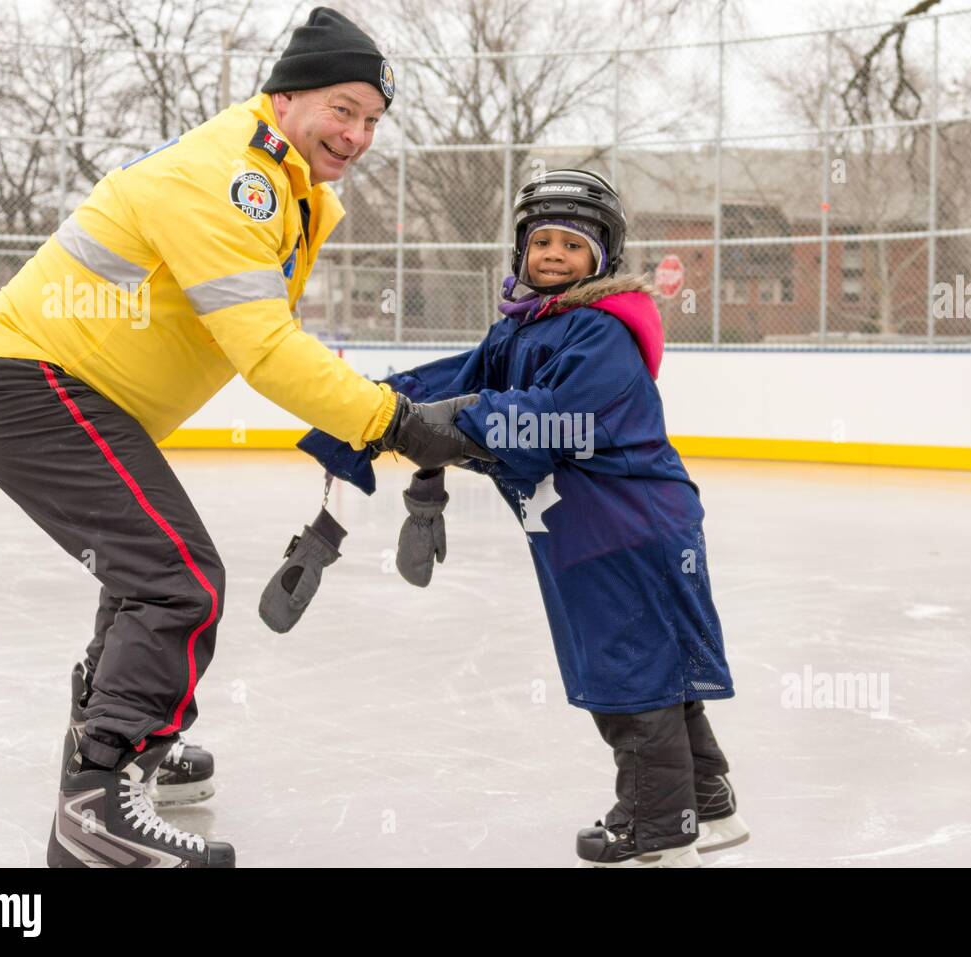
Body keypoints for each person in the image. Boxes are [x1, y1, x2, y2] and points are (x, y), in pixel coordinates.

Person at [0, 6, 485, 868]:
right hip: (34, 383)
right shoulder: (230, 176)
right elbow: (265, 347)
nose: (357, 135)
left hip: (64, 390)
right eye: (342, 109)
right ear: (289, 95)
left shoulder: (285, 183)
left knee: (143, 573)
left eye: (373, 121)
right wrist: (396, 424)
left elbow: (264, 338)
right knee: (178, 579)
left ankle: (124, 748)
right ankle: (98, 800)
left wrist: (375, 407)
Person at [285, 169, 748, 867]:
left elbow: (554, 420)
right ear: (520, 252)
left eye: (572, 244)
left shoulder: (600, 333)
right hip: (596, 532)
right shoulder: (523, 330)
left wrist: (457, 423)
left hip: (629, 530)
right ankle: (705, 800)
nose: (554, 255)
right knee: (657, 669)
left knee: (629, 678)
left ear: (604, 256)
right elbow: (452, 382)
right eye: (542, 242)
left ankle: (660, 824)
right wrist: (363, 419)